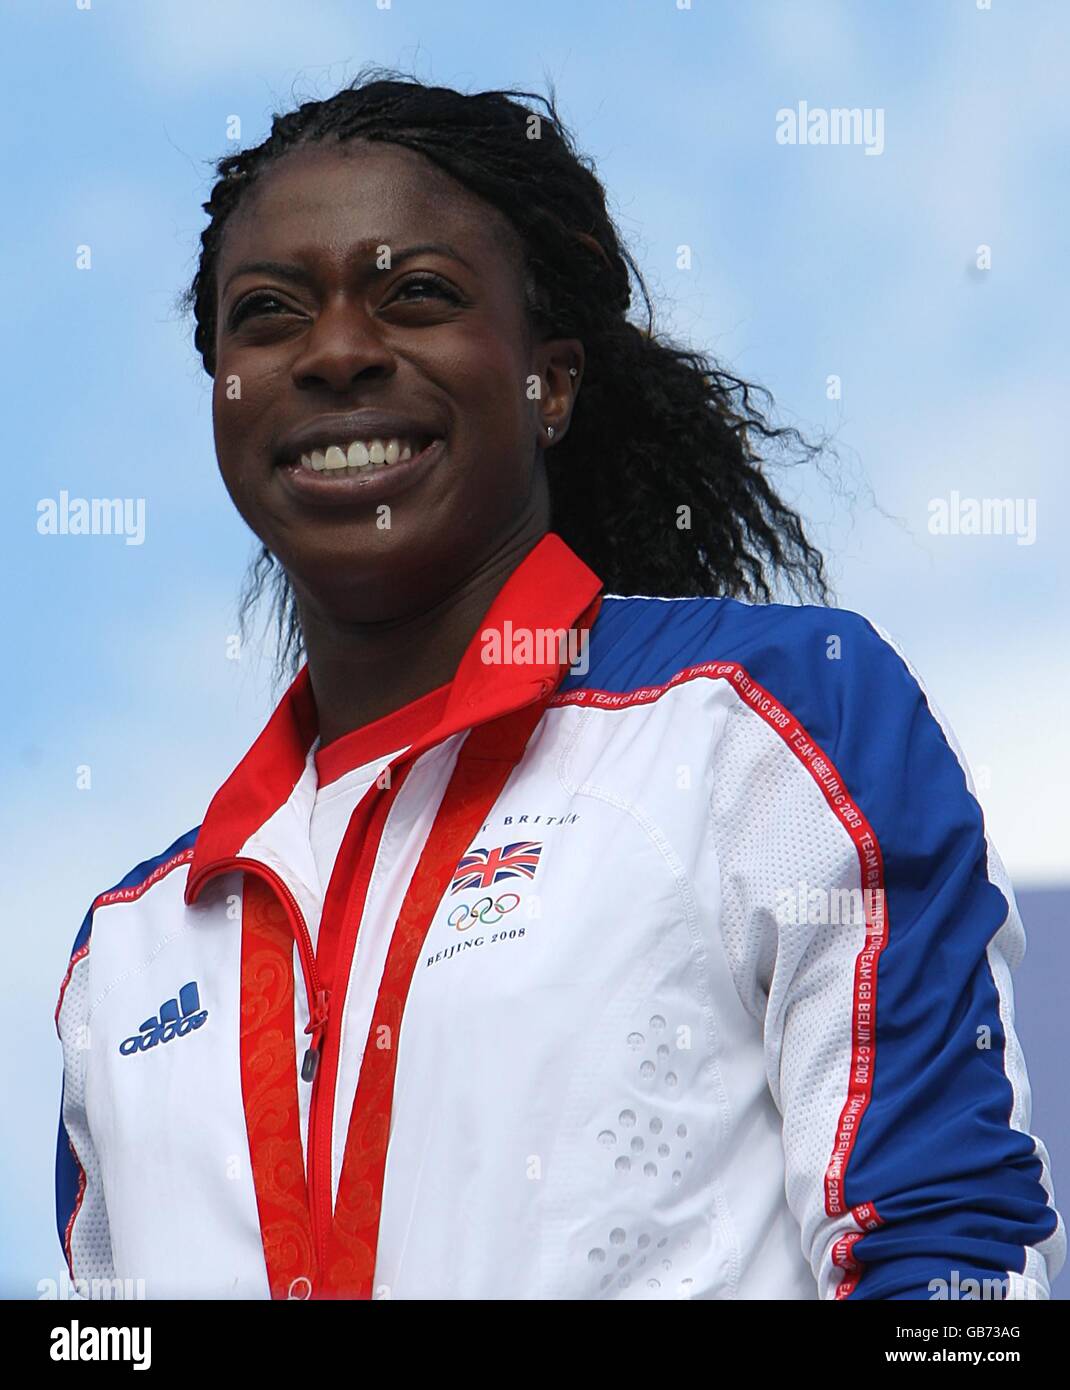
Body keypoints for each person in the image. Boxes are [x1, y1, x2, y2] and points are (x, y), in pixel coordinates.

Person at [54, 69, 1063, 1301]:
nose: (332, 352)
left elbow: (943, 1249)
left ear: (552, 383)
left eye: (414, 294)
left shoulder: (762, 725)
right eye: (265, 314)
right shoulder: (129, 949)